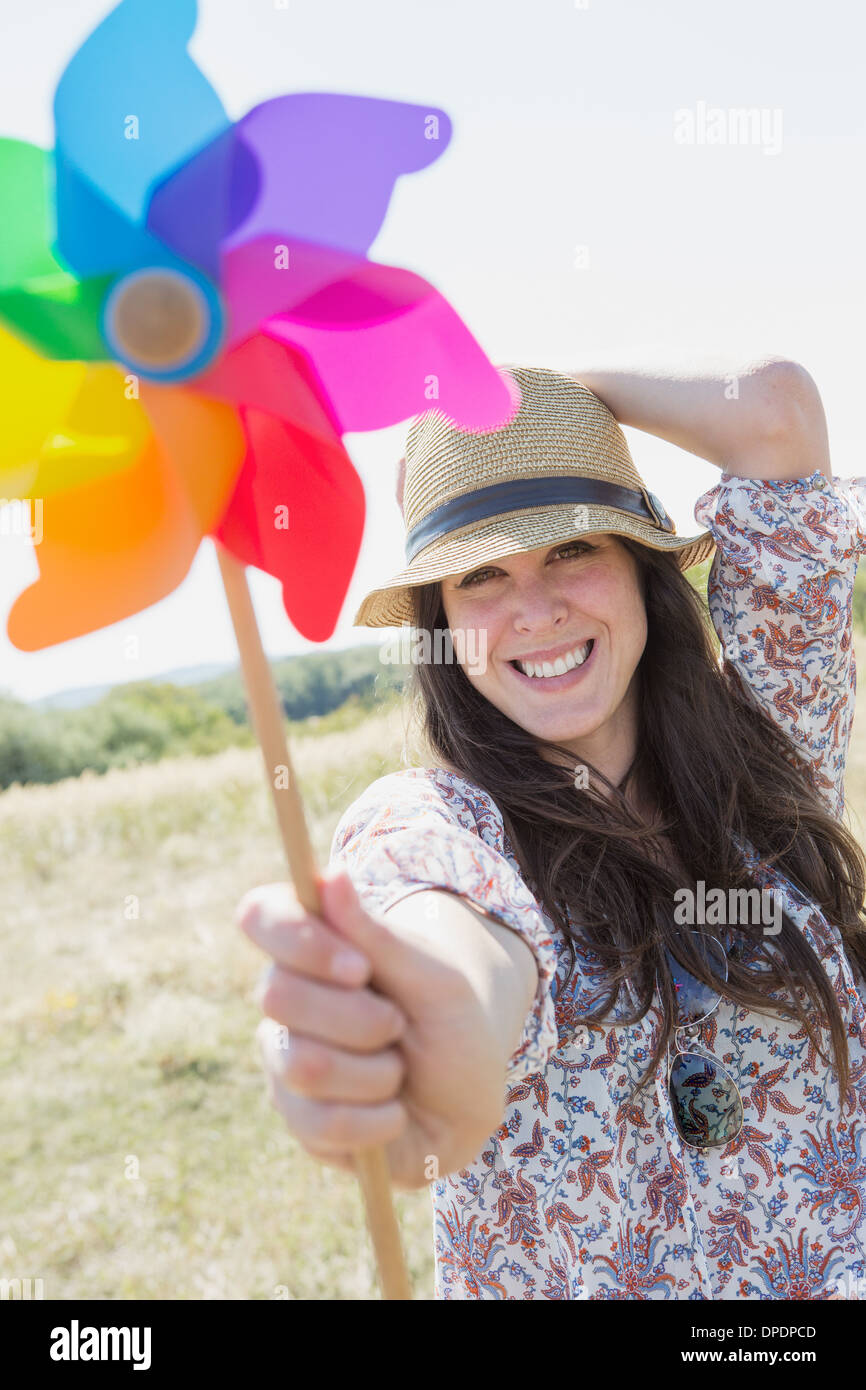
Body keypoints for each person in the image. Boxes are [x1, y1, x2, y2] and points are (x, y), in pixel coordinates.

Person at [237, 362, 866, 1300]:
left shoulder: (772, 744)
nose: (535, 611)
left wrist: (541, 394)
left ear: (640, 570)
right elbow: (445, 939)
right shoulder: (445, 823)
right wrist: (420, 1034)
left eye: (572, 549)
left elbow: (776, 415)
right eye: (480, 575)